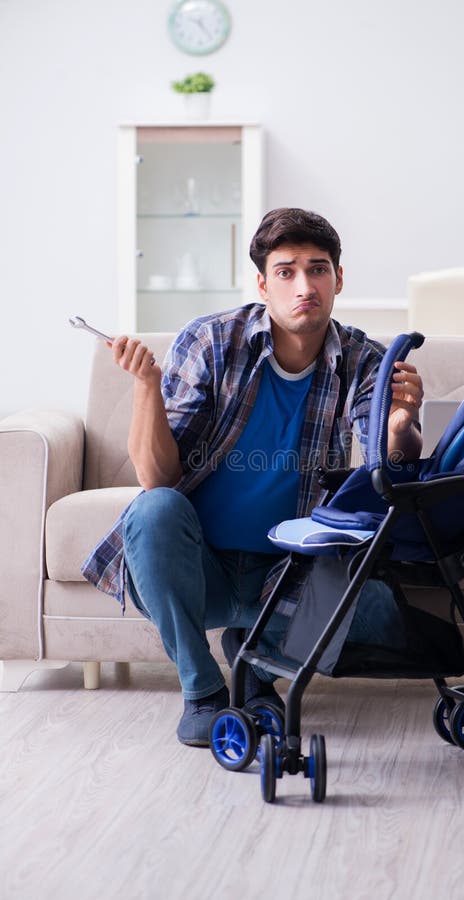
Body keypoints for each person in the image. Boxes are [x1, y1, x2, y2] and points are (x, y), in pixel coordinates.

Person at [82, 208, 424, 746]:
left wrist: (401, 426)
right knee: (154, 509)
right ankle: (203, 690)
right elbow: (157, 477)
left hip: (289, 574)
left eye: (318, 269)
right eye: (286, 272)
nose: (304, 286)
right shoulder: (212, 341)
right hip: (203, 571)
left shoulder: (365, 361)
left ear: (338, 278)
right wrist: (147, 387)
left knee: (384, 616)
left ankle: (255, 663)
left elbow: (391, 466)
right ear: (263, 284)